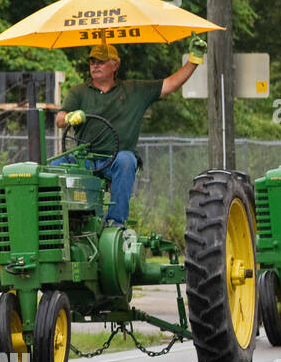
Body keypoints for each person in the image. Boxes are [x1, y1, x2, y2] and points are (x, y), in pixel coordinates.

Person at [54, 36, 206, 225]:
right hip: (84, 160)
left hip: (114, 160)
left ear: (115, 65)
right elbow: (59, 119)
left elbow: (169, 85)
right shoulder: (79, 92)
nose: (95, 65)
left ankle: (116, 224)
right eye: (92, 61)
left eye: (101, 61)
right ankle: (58, 223)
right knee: (51, 168)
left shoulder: (134, 91)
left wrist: (193, 61)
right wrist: (68, 117)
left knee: (127, 160)